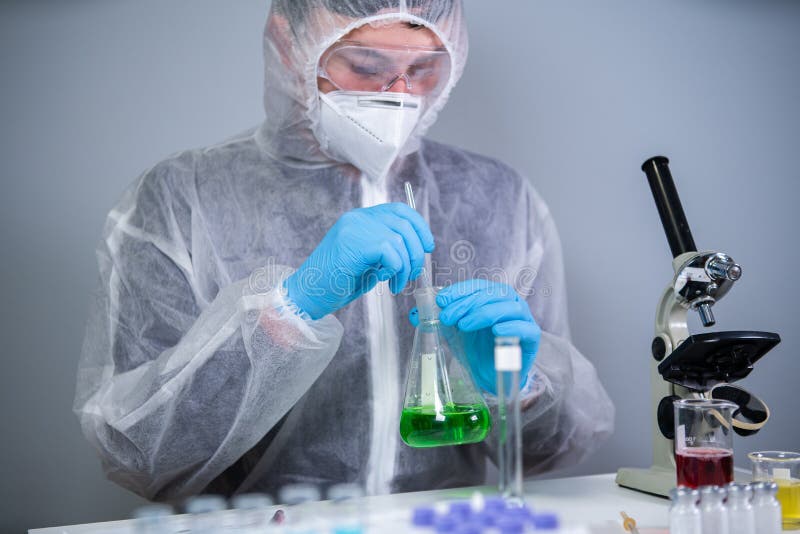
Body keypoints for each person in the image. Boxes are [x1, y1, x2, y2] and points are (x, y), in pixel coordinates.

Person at [74, 0, 614, 502]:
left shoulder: (499, 198)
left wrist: (514, 386)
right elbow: (138, 453)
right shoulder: (181, 200)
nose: (399, 93)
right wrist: (289, 310)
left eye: (424, 69)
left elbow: (553, 452)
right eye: (365, 65)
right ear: (291, 46)